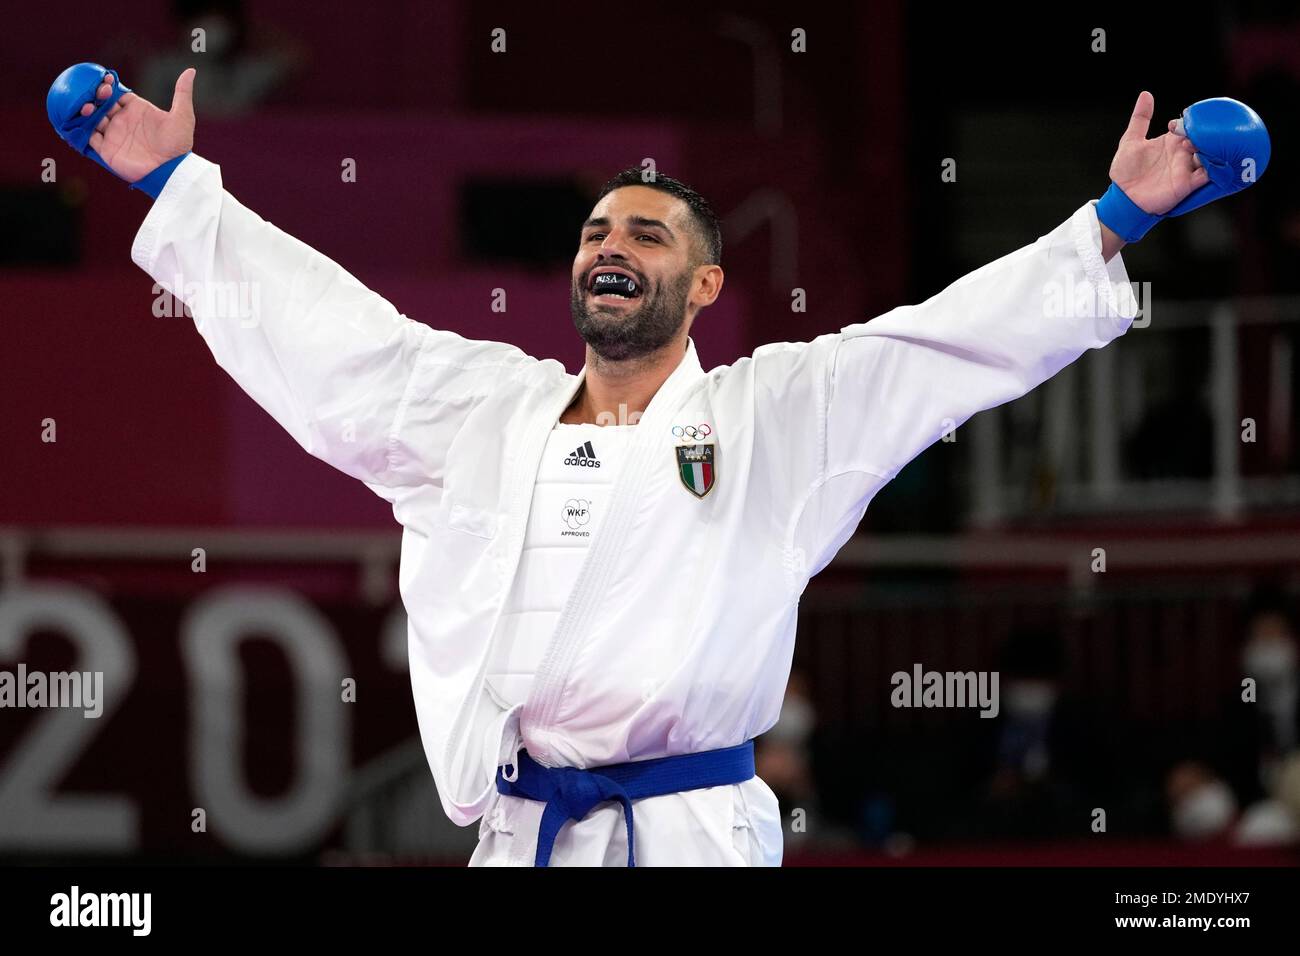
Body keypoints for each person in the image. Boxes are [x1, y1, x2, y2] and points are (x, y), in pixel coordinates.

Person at [46, 62, 1268, 866]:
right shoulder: (481, 407)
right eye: (593, 232)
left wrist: (1112, 220)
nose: (608, 246)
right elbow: (328, 339)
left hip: (689, 833)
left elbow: (936, 348)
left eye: (645, 232)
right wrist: (174, 188)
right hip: (521, 833)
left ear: (705, 284)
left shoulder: (779, 417)